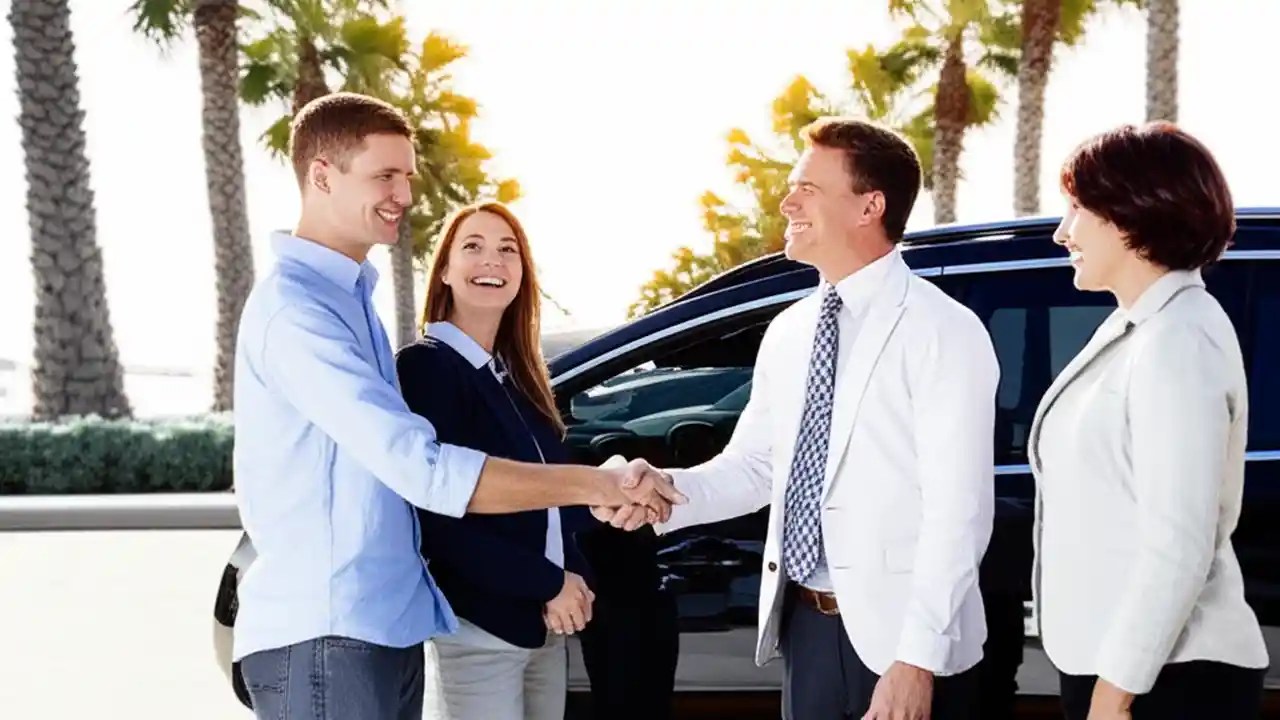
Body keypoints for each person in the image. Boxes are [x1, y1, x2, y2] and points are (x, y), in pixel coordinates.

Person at [231, 92, 683, 720]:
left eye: (407, 176)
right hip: (326, 630)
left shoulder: (352, 298)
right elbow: (424, 470)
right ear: (322, 176)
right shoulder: (298, 313)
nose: (404, 194)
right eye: (384, 175)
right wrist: (596, 485)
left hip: (386, 626)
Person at [604, 116, 1000, 720]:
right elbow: (757, 468)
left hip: (905, 642)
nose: (786, 200)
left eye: (807, 188)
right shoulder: (790, 331)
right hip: (806, 628)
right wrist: (665, 488)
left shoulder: (943, 330)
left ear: (870, 206)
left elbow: (960, 513)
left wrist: (914, 661)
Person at [1031, 122, 1269, 720]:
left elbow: (1178, 542)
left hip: (1163, 680)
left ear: (1134, 216)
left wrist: (1113, 697)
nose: (1063, 232)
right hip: (1129, 669)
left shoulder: (1179, 339)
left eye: (1079, 209)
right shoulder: (1142, 325)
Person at [395, 201, 599, 719]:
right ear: (444, 270)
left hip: (542, 626)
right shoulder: (427, 367)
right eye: (473, 247)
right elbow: (439, 521)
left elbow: (555, 500)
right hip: (482, 630)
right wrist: (550, 582)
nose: (493, 261)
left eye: (508, 250)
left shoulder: (517, 378)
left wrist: (570, 579)